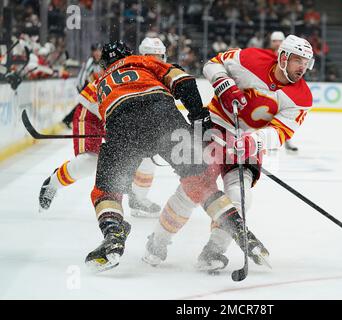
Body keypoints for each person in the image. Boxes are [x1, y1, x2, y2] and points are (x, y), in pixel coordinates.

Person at [86, 40, 267, 272]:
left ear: (105, 63)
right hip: (164, 119)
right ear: (129, 54)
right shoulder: (143, 61)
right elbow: (184, 81)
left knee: (106, 191)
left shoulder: (100, 82)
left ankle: (113, 235)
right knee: (200, 182)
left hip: (123, 128)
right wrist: (198, 114)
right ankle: (240, 231)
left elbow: (108, 117)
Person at [145, 35, 313, 272]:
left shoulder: (302, 97)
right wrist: (224, 84)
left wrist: (254, 141)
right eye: (298, 60)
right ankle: (158, 242)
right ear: (283, 57)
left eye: (306, 62)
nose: (303, 67)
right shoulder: (251, 58)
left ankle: (212, 251)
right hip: (215, 124)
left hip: (248, 141)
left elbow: (281, 132)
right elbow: (212, 64)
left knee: (240, 195)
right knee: (194, 187)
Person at [39, 40, 164, 218]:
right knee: (89, 162)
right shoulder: (136, 69)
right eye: (151, 56)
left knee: (148, 156)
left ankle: (138, 199)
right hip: (91, 111)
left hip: (115, 115)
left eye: (159, 56)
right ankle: (53, 183)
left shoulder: (152, 73)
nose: (155, 59)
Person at [268, 31, 298, 152]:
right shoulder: (268, 55)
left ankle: (287, 141)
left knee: (286, 117)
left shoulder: (289, 57)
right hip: (271, 90)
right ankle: (271, 141)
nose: (277, 43)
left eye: (279, 41)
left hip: (284, 91)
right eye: (275, 41)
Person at [61, 43, 103, 129]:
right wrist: (81, 90)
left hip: (98, 88)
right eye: (95, 51)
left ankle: (67, 120)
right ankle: (68, 120)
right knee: (84, 105)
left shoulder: (103, 62)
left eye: (99, 51)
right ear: (92, 52)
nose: (97, 53)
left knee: (85, 106)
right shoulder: (90, 62)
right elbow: (83, 76)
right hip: (89, 88)